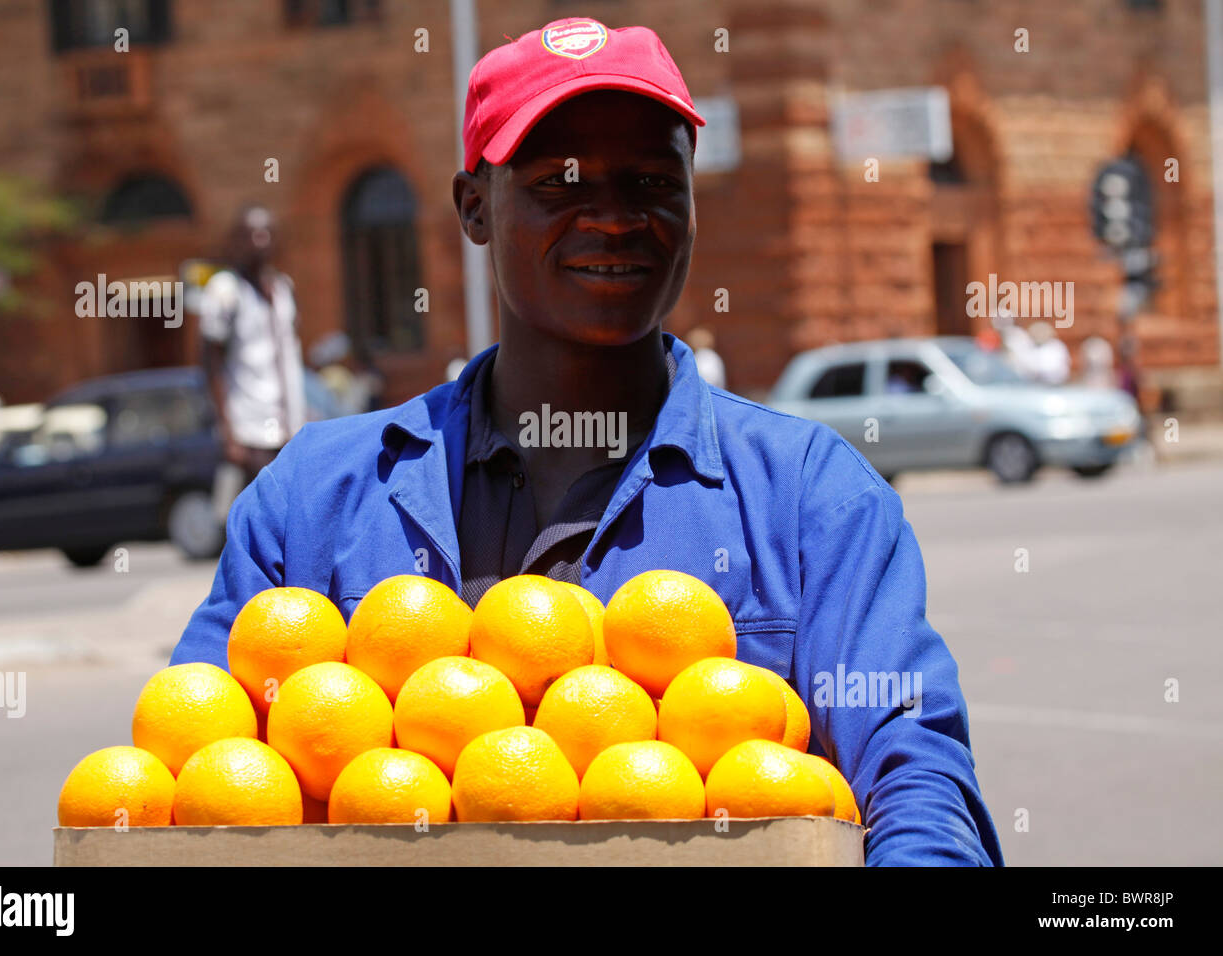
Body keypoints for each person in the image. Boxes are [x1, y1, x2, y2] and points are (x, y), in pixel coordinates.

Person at [172, 18, 1002, 866]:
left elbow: (915, 774)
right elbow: (191, 778)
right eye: (560, 185)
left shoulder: (810, 496)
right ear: (474, 209)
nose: (613, 219)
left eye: (650, 180)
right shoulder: (313, 497)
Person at [199, 206, 307, 513]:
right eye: (251, 234)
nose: (260, 241)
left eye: (267, 233)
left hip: (289, 428)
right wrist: (228, 432)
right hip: (250, 430)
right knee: (258, 517)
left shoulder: (284, 288)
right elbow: (210, 363)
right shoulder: (225, 290)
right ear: (236, 241)